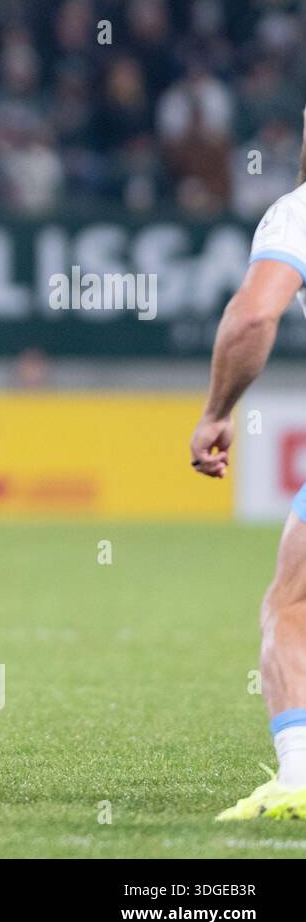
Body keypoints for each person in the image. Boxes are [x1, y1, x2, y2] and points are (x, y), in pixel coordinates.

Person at [190, 107, 306, 821]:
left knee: (292, 607)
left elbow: (255, 315)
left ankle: (299, 776)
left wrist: (217, 410)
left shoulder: (297, 214)